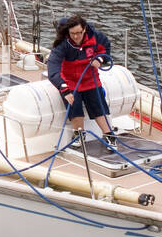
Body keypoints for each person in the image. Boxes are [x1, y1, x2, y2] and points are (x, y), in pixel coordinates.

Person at [46, 15, 117, 144]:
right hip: (70, 81)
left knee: (98, 104)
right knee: (74, 105)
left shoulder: (96, 37)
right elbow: (53, 67)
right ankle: (79, 133)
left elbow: (105, 48)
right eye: (72, 33)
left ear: (84, 29)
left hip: (90, 78)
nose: (76, 36)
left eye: (78, 33)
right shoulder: (62, 44)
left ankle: (109, 135)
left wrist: (100, 59)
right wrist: (63, 88)